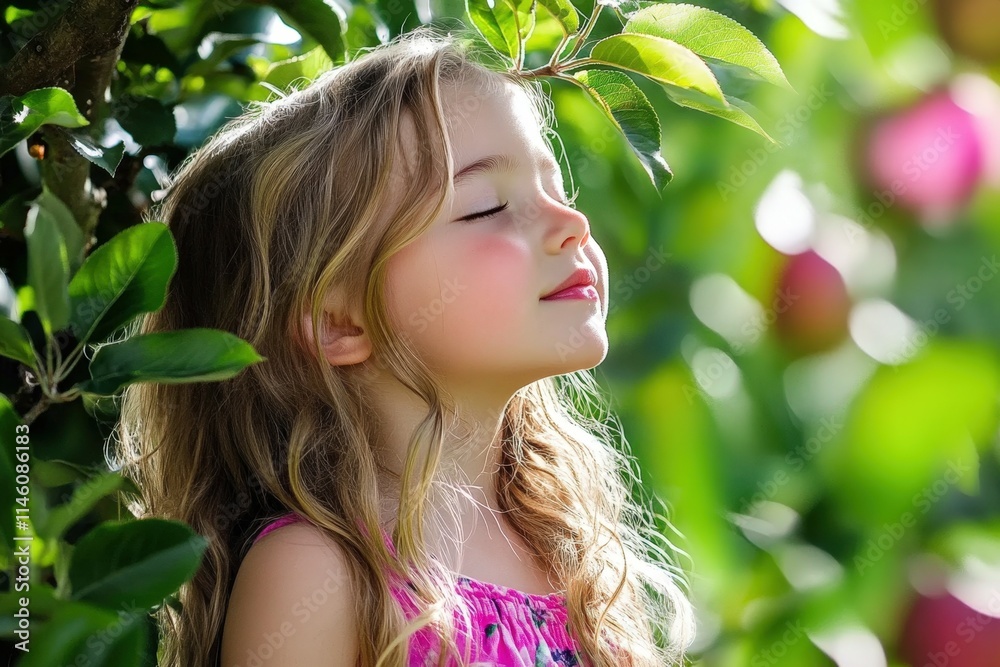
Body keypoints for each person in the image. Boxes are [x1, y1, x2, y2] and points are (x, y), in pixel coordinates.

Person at [115, 25, 695, 667]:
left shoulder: (577, 554)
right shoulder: (321, 575)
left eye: (557, 191)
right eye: (486, 207)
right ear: (337, 321)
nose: (573, 224)